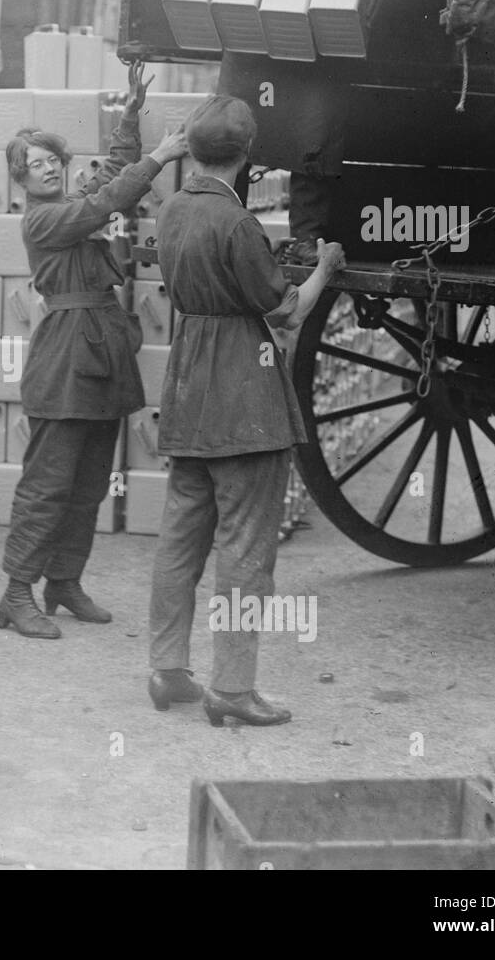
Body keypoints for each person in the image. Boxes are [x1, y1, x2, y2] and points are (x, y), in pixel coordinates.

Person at [147, 94, 345, 724]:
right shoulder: (240, 225)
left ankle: (167, 668)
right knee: (245, 549)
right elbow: (286, 311)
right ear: (248, 157)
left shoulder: (173, 209)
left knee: (180, 538)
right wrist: (326, 270)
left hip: (188, 388)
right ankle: (232, 688)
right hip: (244, 394)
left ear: (194, 148)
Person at [0, 61, 192, 640]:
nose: (49, 169)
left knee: (88, 482)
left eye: (53, 159)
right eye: (35, 165)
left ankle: (63, 582)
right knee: (47, 483)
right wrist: (158, 159)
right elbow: (103, 203)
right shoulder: (44, 221)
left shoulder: (68, 201)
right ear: (22, 179)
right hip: (65, 358)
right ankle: (16, 593)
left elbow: (109, 173)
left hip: (102, 347)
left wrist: (130, 118)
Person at [200, 0, 402, 265]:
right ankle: (223, 229)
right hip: (252, 22)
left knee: (316, 132)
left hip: (320, 30)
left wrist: (367, 1)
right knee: (232, 124)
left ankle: (307, 239)